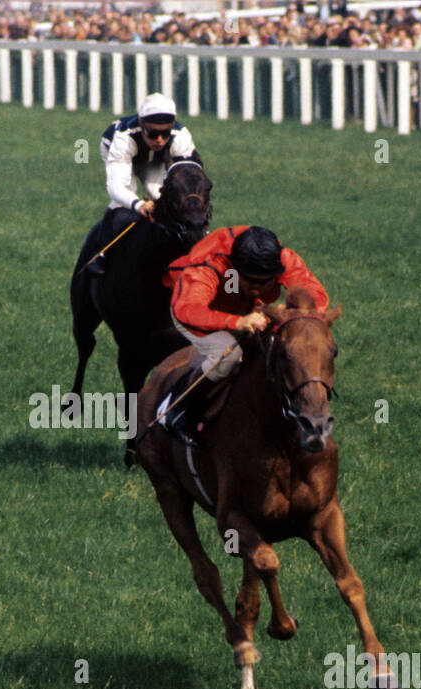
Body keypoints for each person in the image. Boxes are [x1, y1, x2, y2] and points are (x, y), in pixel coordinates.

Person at [158, 225, 329, 443]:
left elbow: (316, 297)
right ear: (233, 267)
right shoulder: (211, 264)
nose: (257, 289)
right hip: (192, 311)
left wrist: (287, 313)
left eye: (265, 282)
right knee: (229, 355)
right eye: (250, 281)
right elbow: (188, 310)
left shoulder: (285, 259)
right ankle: (176, 408)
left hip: (237, 301)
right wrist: (237, 321)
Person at [87, 92, 199, 275]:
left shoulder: (181, 136)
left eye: (165, 134)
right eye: (153, 134)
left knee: (157, 195)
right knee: (123, 202)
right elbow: (116, 188)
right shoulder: (124, 138)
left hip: (154, 160)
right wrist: (138, 204)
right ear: (142, 125)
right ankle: (101, 253)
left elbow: (189, 177)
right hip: (119, 153)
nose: (160, 140)